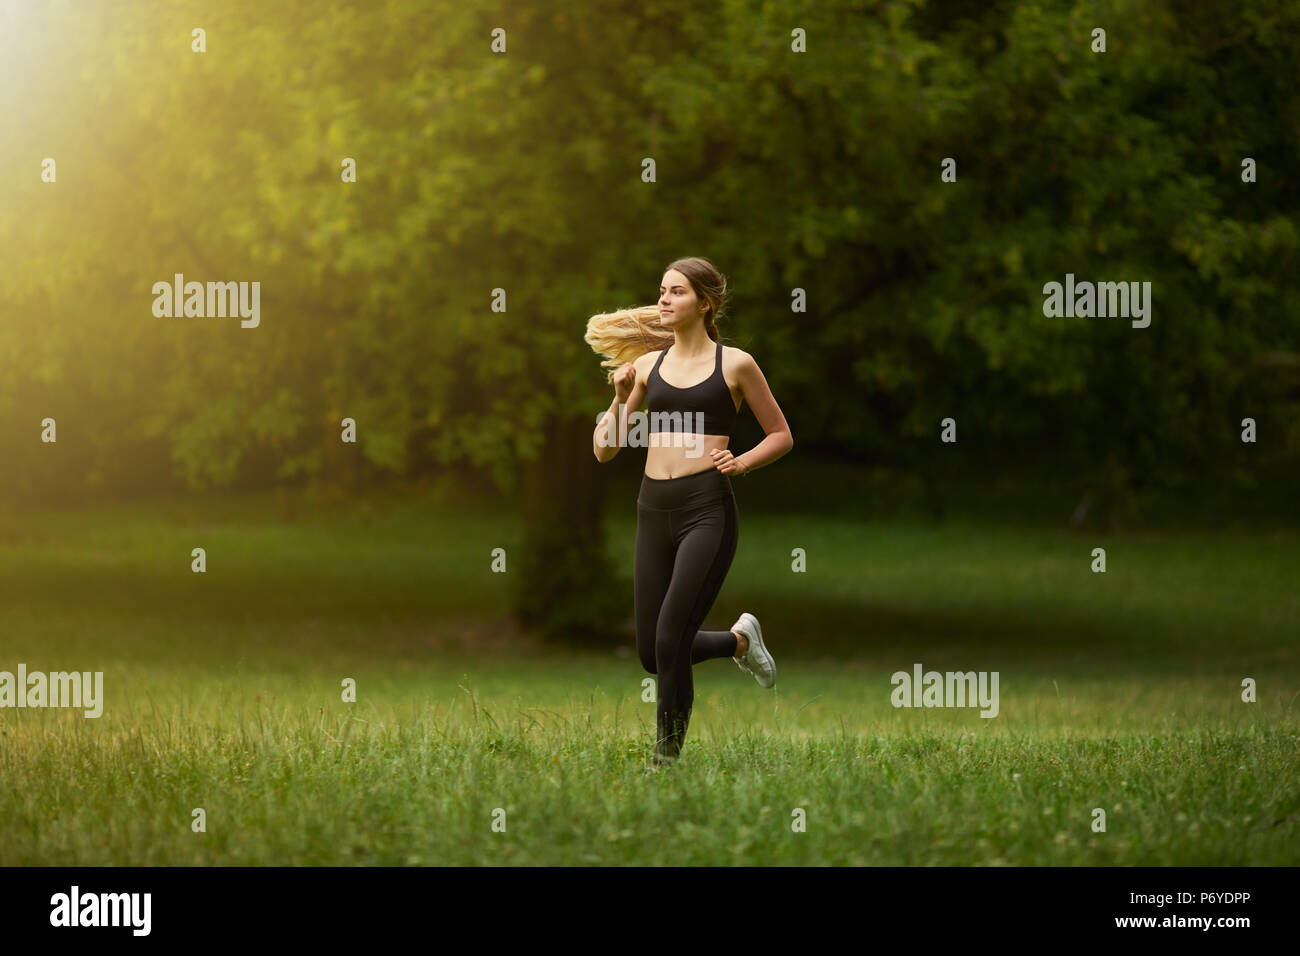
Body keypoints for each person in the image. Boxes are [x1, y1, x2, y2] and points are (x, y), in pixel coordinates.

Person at [587, 257, 794, 767]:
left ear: (704, 303)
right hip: (653, 509)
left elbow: (782, 435)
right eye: (660, 291)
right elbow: (604, 449)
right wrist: (618, 401)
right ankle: (740, 642)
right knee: (652, 653)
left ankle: (665, 762)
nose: (662, 300)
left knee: (670, 637)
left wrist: (740, 462)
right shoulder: (650, 368)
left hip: (706, 509)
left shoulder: (736, 364)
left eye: (675, 292)